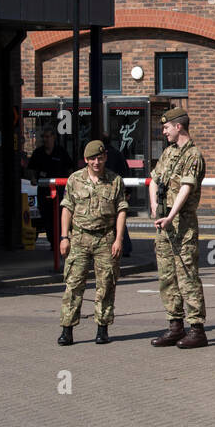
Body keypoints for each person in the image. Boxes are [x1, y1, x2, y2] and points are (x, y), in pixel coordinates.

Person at [56, 139, 129, 346]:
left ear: (105, 157)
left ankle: (102, 328)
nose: (96, 162)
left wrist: (118, 239)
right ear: (85, 160)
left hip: (105, 238)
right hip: (79, 238)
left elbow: (121, 210)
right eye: (92, 159)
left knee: (106, 284)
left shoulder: (115, 181)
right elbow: (66, 208)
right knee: (73, 284)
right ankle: (67, 329)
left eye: (100, 158)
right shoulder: (74, 179)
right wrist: (64, 237)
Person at [149, 107, 208, 349]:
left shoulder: (193, 155)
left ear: (179, 126)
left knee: (187, 276)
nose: (164, 131)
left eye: (166, 127)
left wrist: (170, 215)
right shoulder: (168, 153)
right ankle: (175, 325)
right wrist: (154, 207)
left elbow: (186, 188)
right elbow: (153, 179)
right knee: (167, 277)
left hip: (182, 226)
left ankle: (197, 329)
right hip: (164, 226)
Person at [24, 126, 74, 246]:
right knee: (47, 216)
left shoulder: (61, 152)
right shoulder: (38, 153)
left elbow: (70, 169)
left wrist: (71, 183)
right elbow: (31, 169)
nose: (45, 139)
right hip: (44, 191)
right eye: (43, 137)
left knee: (60, 215)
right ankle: (52, 241)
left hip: (60, 191)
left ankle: (60, 240)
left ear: (53, 137)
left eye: (48, 136)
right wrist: (33, 178)